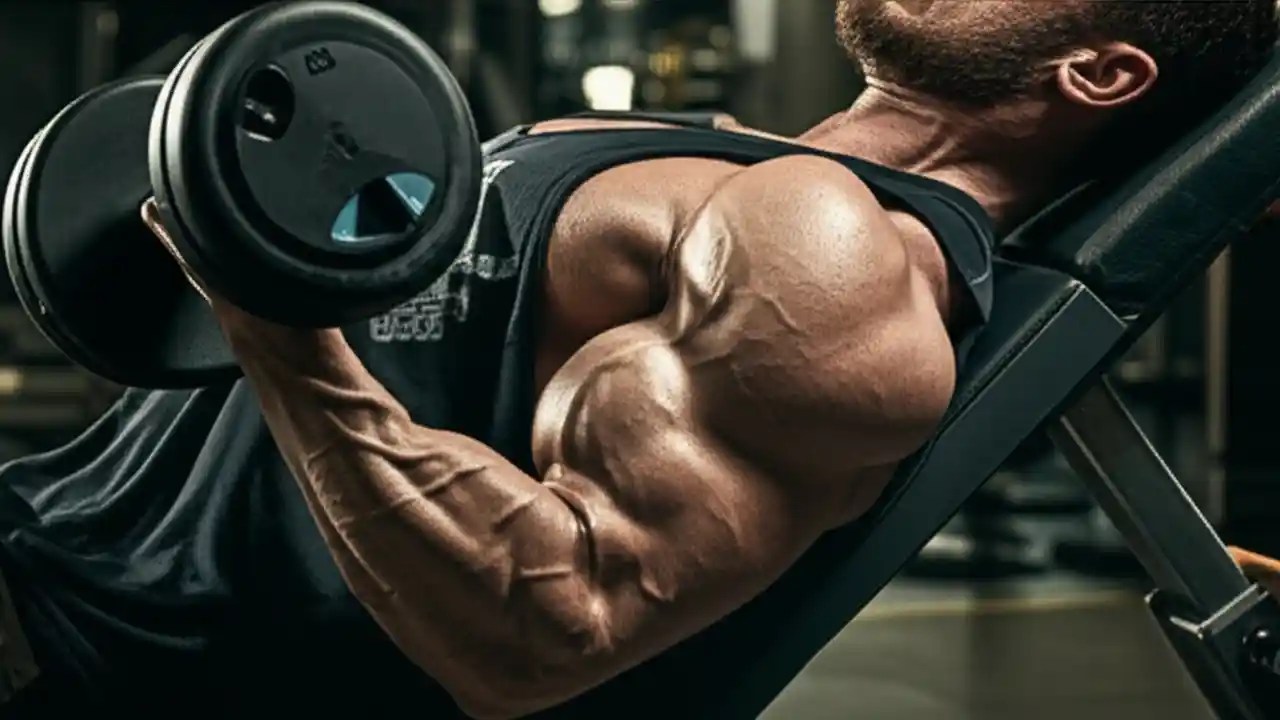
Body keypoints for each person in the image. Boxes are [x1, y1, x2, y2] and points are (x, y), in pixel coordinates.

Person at [0, 1, 1274, 718]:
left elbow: (544, 623)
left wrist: (273, 323)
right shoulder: (714, 161)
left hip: (102, 664)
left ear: (1099, 72)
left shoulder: (834, 253)